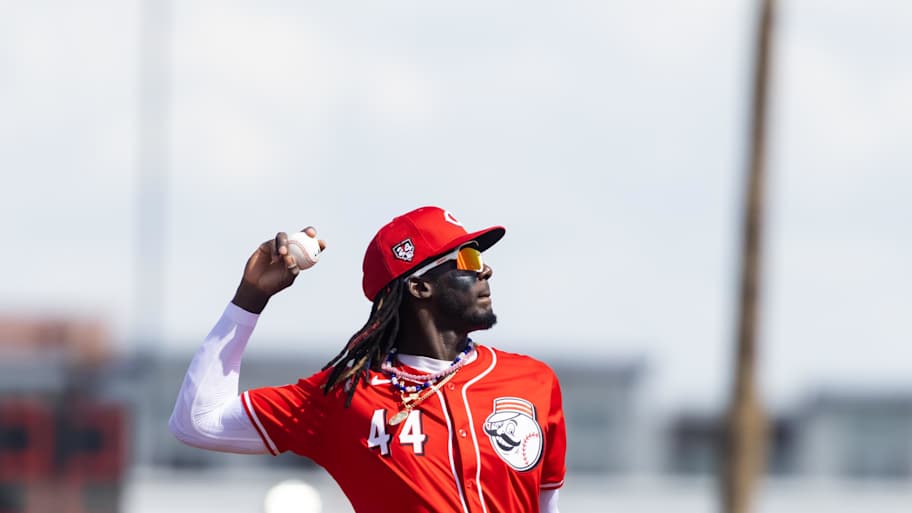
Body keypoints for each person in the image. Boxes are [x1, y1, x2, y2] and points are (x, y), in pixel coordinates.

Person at [169, 206, 566, 513]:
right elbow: (197, 422)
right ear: (420, 286)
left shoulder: (533, 381)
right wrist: (250, 297)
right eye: (467, 260)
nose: (486, 270)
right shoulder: (344, 395)